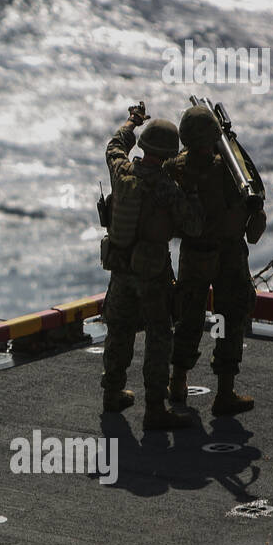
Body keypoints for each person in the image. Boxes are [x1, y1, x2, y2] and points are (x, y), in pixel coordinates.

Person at [100, 106, 203, 431]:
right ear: (170, 153)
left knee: (119, 330)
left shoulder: (123, 171)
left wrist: (132, 121)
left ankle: (113, 393)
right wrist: (192, 189)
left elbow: (114, 146)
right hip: (153, 274)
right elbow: (194, 226)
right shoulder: (167, 188)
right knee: (159, 337)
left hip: (121, 269)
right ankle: (155, 409)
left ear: (143, 147)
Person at [168, 105, 267, 415]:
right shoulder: (229, 168)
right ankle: (225, 392)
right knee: (230, 318)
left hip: (195, 253)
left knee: (189, 317)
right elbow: (254, 215)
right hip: (228, 254)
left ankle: (178, 383)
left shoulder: (176, 168)